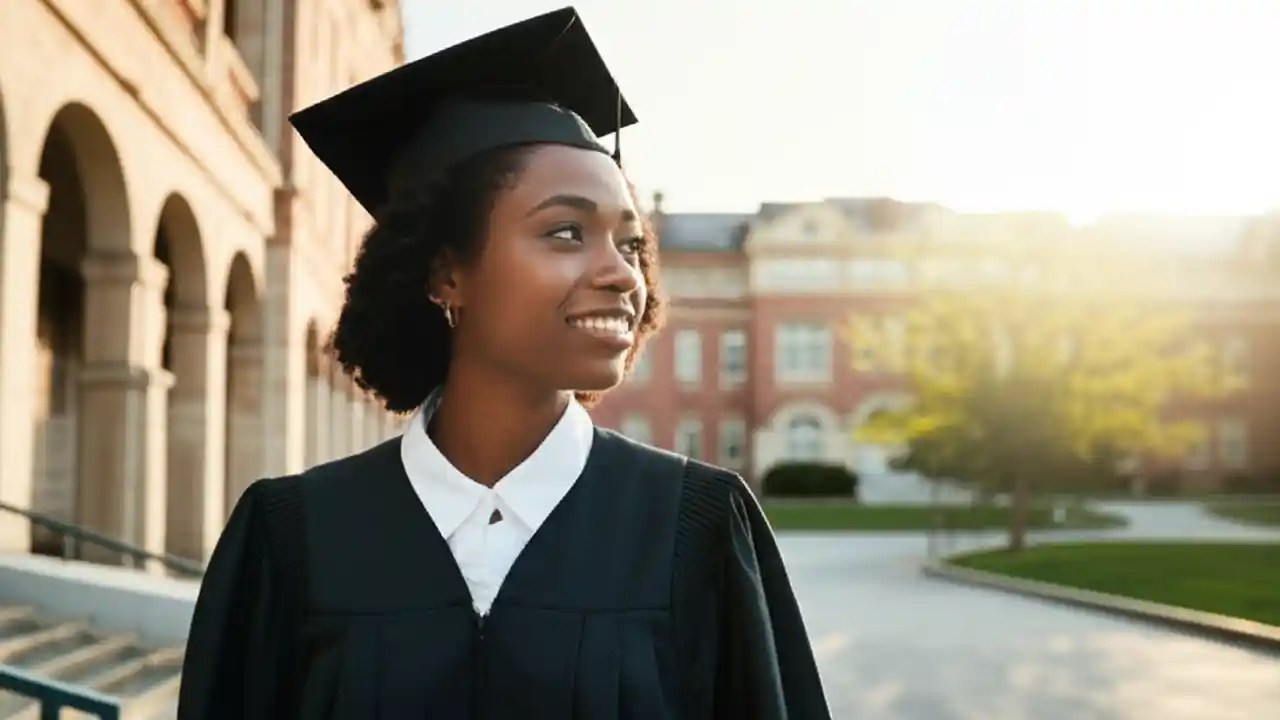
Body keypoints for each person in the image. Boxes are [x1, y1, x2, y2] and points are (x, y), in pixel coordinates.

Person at [176, 7, 830, 719]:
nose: (622, 273)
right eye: (566, 231)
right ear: (446, 273)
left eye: (631, 243)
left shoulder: (696, 527)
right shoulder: (293, 536)